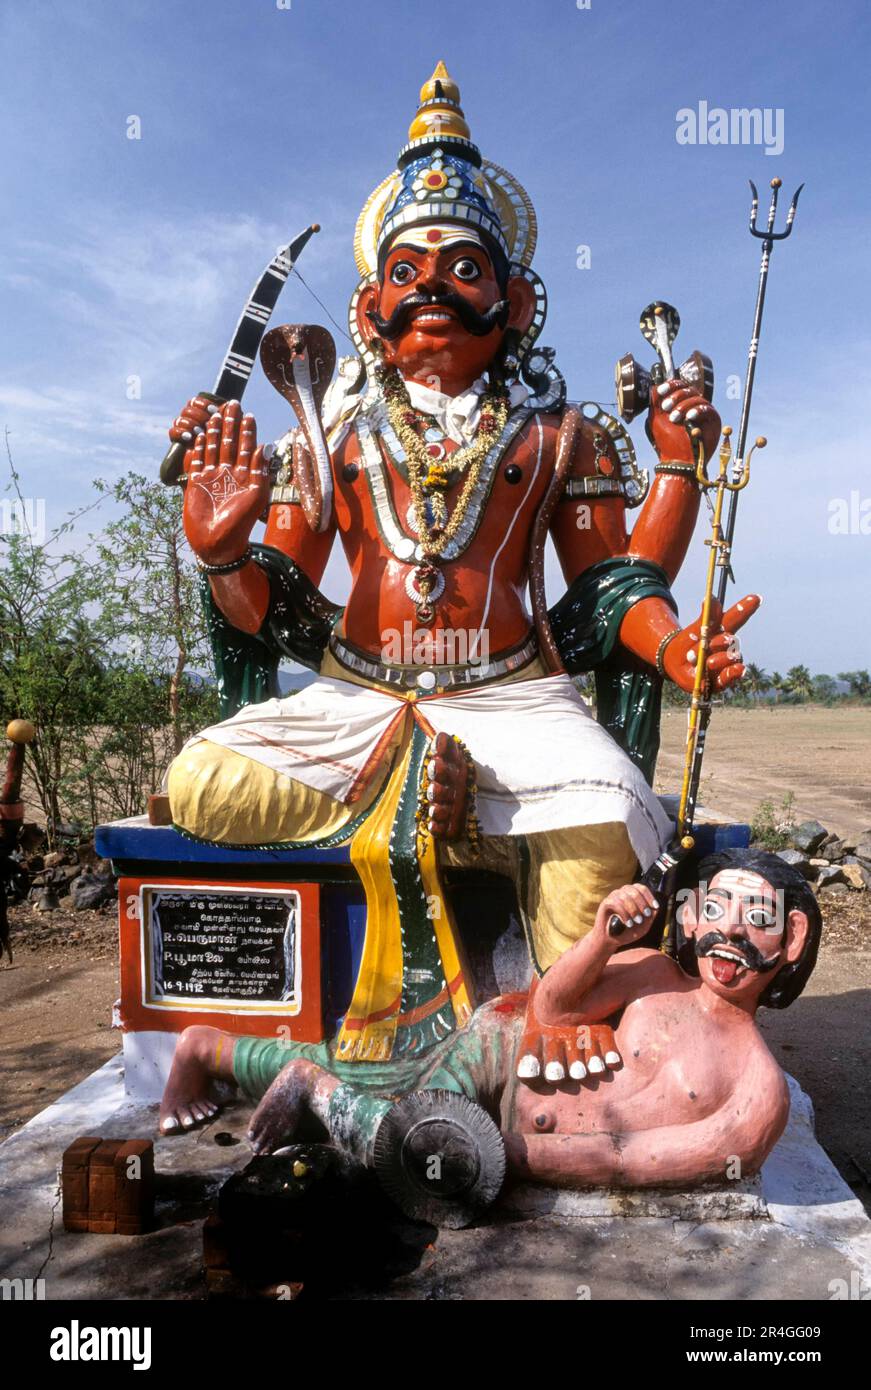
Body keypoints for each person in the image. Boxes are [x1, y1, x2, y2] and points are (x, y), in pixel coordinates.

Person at [162, 63, 757, 1065]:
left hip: (513, 702)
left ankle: (553, 1030)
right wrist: (222, 555)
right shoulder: (326, 438)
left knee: (605, 824)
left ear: (516, 301)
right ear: (366, 312)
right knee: (199, 782)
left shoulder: (563, 435)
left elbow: (613, 586)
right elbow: (266, 603)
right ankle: (436, 800)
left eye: (462, 268)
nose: (430, 285)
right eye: (405, 271)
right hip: (357, 700)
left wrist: (672, 644)